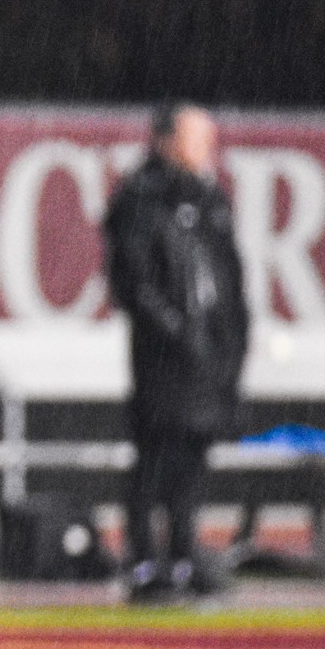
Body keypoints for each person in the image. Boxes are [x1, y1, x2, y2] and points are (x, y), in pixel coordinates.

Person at [103, 102, 249, 603]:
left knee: (192, 457)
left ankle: (185, 555)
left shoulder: (209, 199)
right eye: (195, 138)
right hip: (164, 356)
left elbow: (228, 275)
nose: (207, 148)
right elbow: (134, 282)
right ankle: (144, 561)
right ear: (165, 140)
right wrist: (175, 332)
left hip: (209, 351)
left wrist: (228, 339)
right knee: (156, 456)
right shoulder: (141, 198)